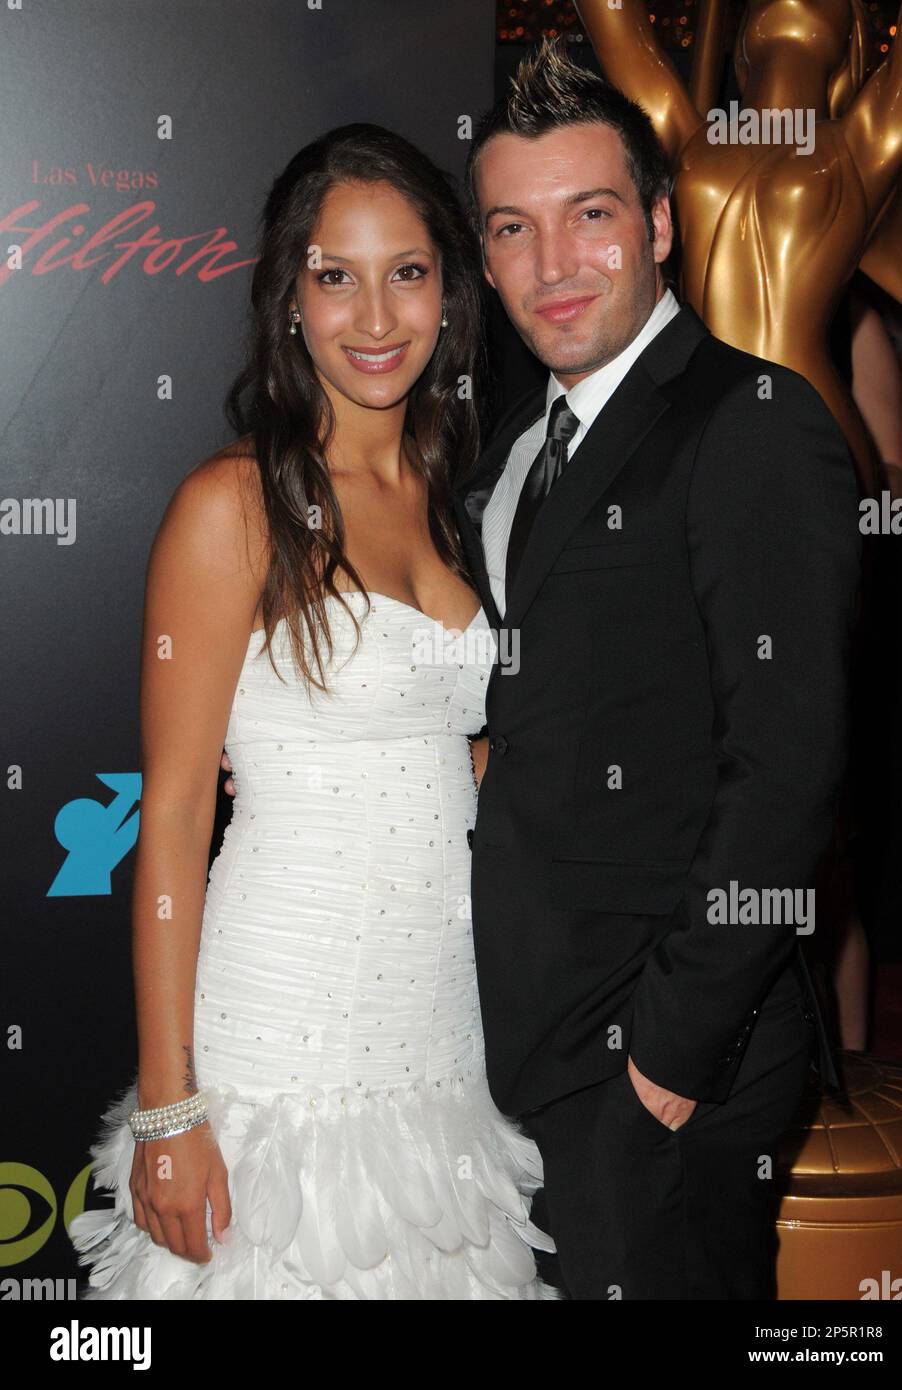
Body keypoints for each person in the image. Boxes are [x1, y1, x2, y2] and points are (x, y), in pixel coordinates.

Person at [67, 124, 558, 1300]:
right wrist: (171, 1106)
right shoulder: (231, 505)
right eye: (336, 275)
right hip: (277, 1037)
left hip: (440, 1034)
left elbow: (446, 740)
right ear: (291, 294)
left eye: (407, 272)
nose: (375, 317)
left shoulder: (464, 499)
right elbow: (176, 816)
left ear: (452, 290)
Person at [449, 39, 862, 1299]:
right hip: (522, 1040)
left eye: (591, 217)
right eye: (513, 230)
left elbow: (787, 764)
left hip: (666, 1062)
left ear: (664, 227)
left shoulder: (754, 422)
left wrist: (667, 1063)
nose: (553, 265)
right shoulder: (517, 443)